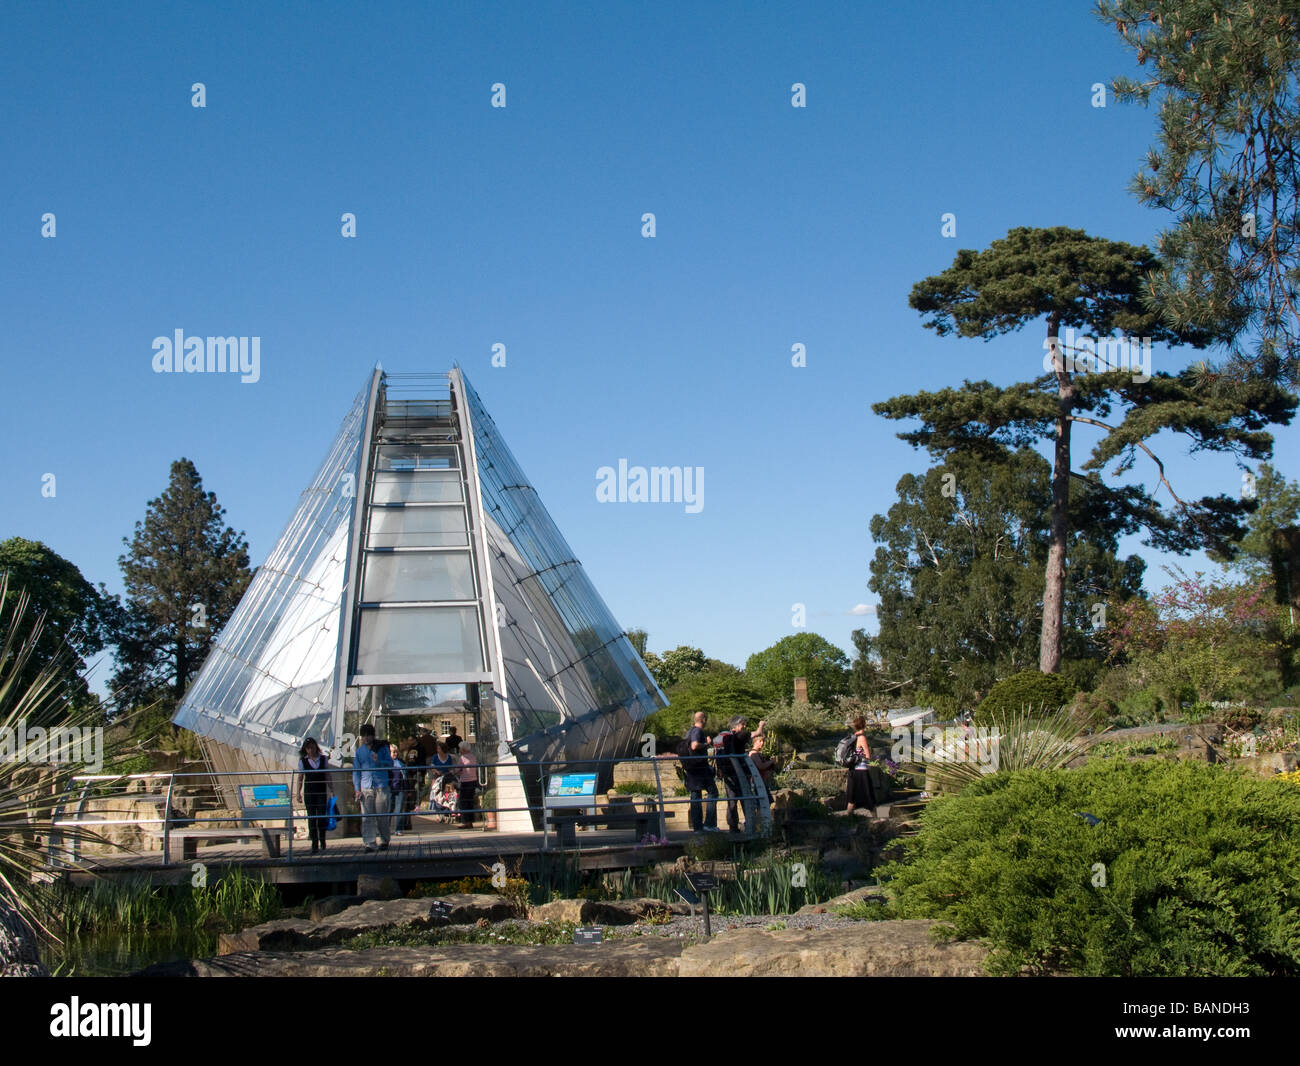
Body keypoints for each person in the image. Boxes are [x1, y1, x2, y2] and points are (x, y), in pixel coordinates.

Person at [352, 724, 392, 851]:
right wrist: (357, 789)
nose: (366, 738)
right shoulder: (359, 751)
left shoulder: (382, 748)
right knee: (367, 817)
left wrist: (379, 761)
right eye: (364, 736)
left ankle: (384, 840)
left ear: (372, 735)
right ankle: (369, 842)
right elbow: (356, 771)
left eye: (368, 735)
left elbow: (390, 763)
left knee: (382, 815)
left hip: (381, 785)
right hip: (366, 786)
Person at [717, 716, 759, 833]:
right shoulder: (740, 736)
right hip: (739, 773)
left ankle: (733, 826)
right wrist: (761, 726)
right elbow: (757, 733)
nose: (744, 727)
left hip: (728, 773)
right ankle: (750, 825)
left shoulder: (725, 738)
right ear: (736, 726)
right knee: (746, 798)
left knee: (732, 801)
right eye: (743, 725)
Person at [294, 737, 334, 854]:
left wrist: (331, 789)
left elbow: (327, 775)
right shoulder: (303, 761)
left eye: (312, 747)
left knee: (321, 817)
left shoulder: (323, 759)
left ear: (316, 747)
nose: (310, 750)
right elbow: (300, 778)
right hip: (309, 792)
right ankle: (314, 843)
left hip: (321, 791)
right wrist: (298, 793)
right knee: (312, 818)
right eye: (308, 748)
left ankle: (322, 839)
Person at [683, 711, 719, 832]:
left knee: (695, 796)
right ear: (703, 720)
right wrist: (707, 743)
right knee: (713, 792)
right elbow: (694, 746)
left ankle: (697, 827)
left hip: (691, 769)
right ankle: (709, 823)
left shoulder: (689, 732)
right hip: (700, 769)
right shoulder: (698, 731)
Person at [845, 715, 877, 815]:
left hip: (852, 770)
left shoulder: (852, 737)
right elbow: (868, 755)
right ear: (864, 725)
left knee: (851, 799)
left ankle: (846, 820)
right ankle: (884, 818)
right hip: (862, 770)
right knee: (871, 798)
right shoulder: (862, 738)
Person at [389, 743, 415, 833]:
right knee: (389, 809)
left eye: (396, 752)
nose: (395, 754)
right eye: (393, 752)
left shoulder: (401, 763)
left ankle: (398, 829)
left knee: (399, 809)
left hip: (401, 788)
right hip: (391, 788)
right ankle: (385, 829)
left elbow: (406, 776)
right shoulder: (387, 763)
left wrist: (408, 789)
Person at [456, 741, 478, 827]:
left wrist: (453, 771)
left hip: (465, 781)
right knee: (469, 802)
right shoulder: (473, 757)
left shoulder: (462, 758)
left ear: (463, 749)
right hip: (473, 781)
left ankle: (466, 822)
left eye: (460, 748)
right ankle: (470, 821)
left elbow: (457, 770)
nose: (459, 750)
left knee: (463, 802)